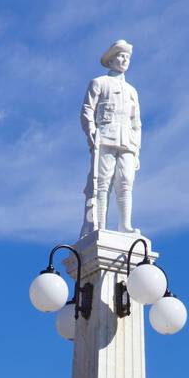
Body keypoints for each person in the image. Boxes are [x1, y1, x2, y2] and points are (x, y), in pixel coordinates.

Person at [79, 39, 141, 237]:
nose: (125, 60)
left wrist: (136, 150)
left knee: (125, 183)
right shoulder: (99, 83)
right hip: (105, 137)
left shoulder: (132, 91)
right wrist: (91, 134)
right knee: (102, 182)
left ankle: (125, 225)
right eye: (121, 56)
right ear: (111, 60)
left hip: (127, 142)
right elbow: (87, 110)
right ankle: (100, 225)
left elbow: (136, 122)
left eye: (127, 57)